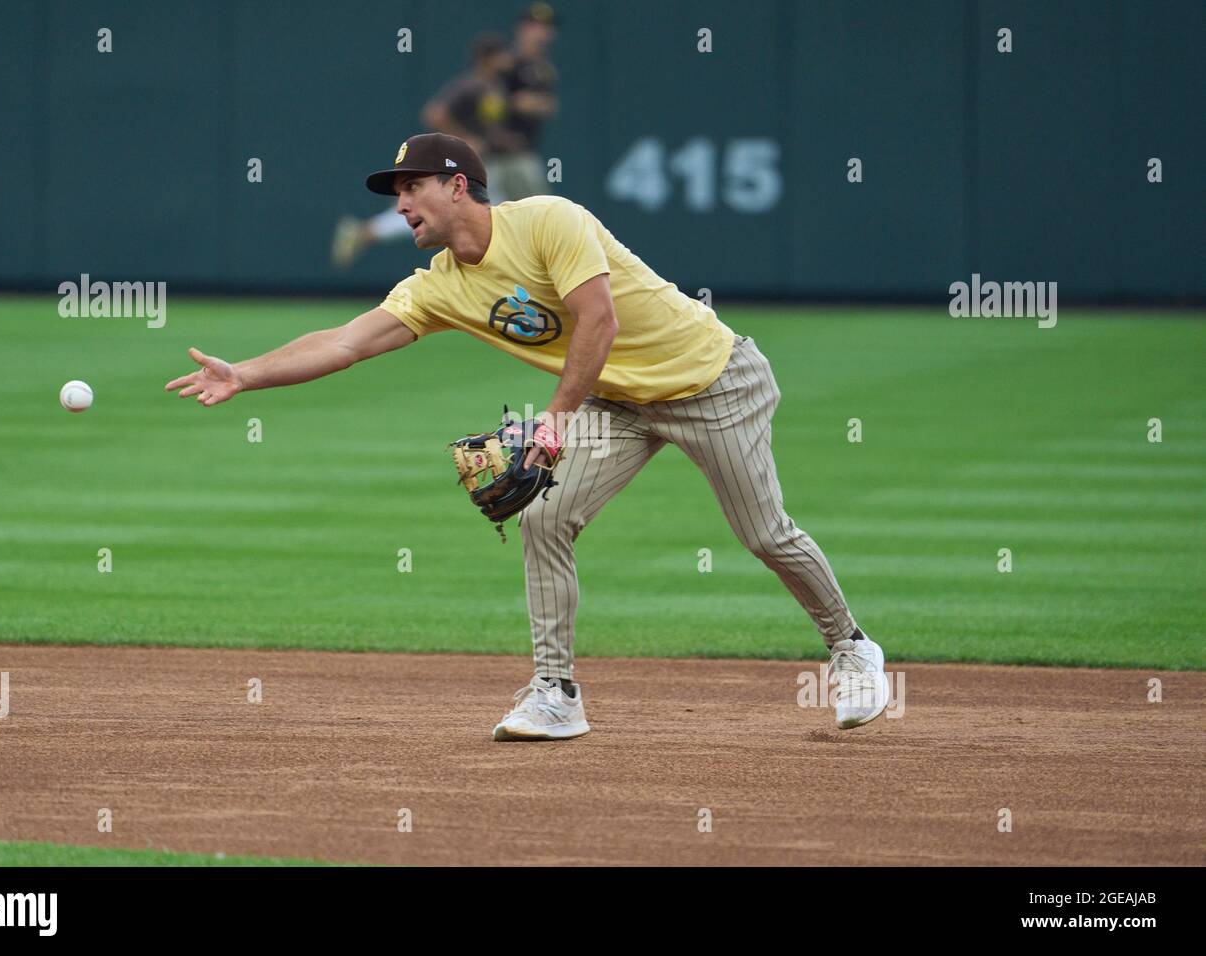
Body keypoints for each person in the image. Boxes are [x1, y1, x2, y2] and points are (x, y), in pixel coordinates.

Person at [168, 133, 890, 741]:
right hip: (616, 402)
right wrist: (247, 374)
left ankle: (852, 650)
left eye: (411, 187)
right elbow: (347, 341)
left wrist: (556, 419)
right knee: (545, 515)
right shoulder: (438, 286)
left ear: (457, 186)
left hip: (713, 380)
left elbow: (597, 321)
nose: (400, 205)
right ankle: (556, 694)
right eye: (395, 194)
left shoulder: (548, 220)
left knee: (764, 533)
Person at [332, 34, 518, 269]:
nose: (506, 59)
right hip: (464, 165)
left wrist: (501, 139)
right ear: (488, 58)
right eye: (500, 55)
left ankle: (368, 232)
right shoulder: (469, 85)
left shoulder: (494, 87)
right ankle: (366, 232)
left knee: (495, 211)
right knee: (469, 211)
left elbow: (486, 127)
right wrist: (465, 139)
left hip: (486, 162)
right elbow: (434, 113)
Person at [491, 2, 560, 202]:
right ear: (522, 29)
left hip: (524, 152)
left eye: (547, 27)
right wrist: (519, 103)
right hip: (502, 154)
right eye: (535, 26)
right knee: (538, 211)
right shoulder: (507, 63)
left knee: (534, 213)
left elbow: (549, 106)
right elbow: (489, 103)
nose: (542, 33)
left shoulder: (543, 69)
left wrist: (530, 103)